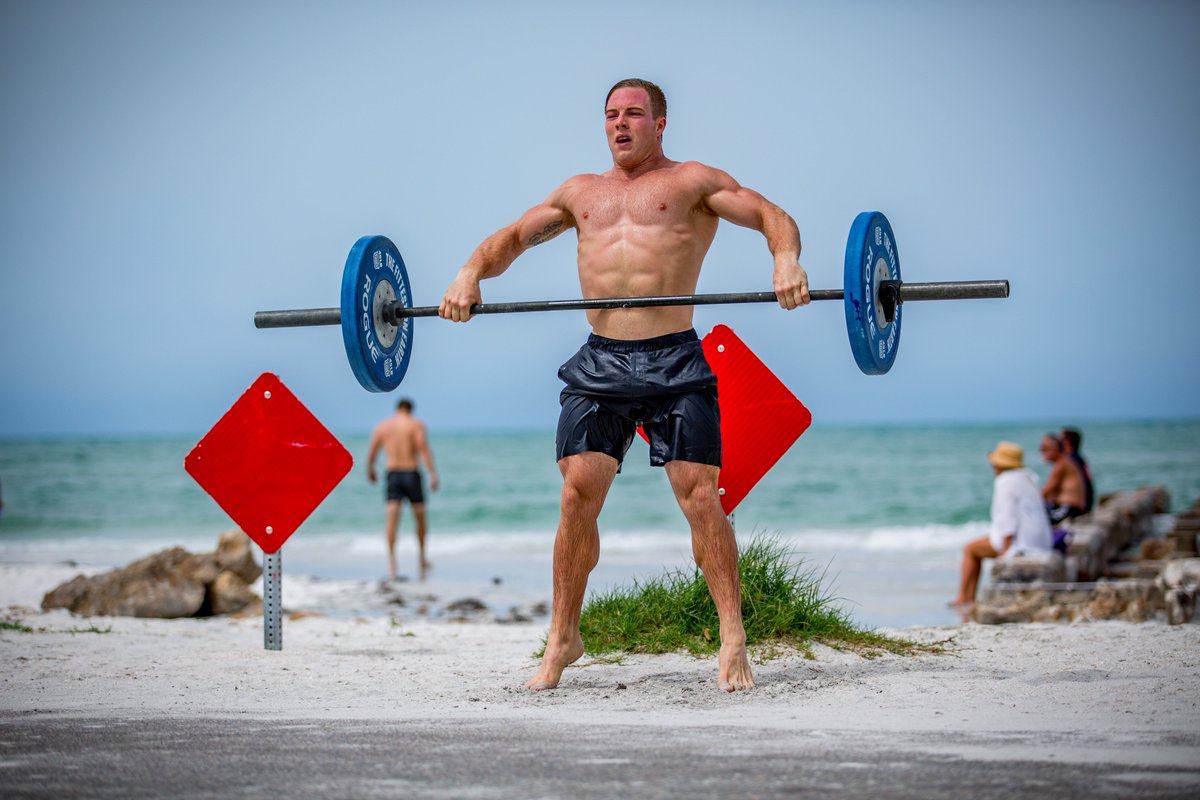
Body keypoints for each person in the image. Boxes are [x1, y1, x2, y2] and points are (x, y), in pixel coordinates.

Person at [439, 78, 810, 692]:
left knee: (699, 497)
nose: (620, 124)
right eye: (611, 114)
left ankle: (733, 636)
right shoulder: (580, 194)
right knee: (575, 496)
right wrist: (469, 274)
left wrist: (785, 259)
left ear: (659, 123)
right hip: (602, 360)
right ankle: (563, 638)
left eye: (633, 114)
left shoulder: (692, 181)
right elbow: (511, 239)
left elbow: (772, 215)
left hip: (674, 358)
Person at [953, 441, 1053, 607]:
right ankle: (967, 598)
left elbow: (1008, 518)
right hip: (1041, 541)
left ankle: (964, 598)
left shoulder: (1006, 481)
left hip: (1022, 544)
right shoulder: (1027, 477)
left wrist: (1005, 551)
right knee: (974, 548)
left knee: (970, 549)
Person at [366, 398, 439, 580]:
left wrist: (370, 468)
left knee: (391, 520)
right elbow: (423, 448)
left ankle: (392, 563)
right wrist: (433, 473)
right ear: (410, 410)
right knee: (420, 518)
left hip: (393, 475)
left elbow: (373, 449)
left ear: (397, 409)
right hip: (412, 473)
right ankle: (422, 558)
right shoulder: (416, 425)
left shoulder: (383, 426)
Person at [1040, 433, 1087, 523]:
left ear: (1055, 448)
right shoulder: (1066, 462)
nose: (1042, 451)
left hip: (1070, 509)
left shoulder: (1061, 464)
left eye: (1045, 448)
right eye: (1041, 448)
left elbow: (1046, 492)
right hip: (1072, 508)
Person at [1059, 427, 1094, 513]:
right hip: (1086, 504)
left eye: (1060, 439)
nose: (1058, 443)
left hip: (1077, 506)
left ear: (1067, 441)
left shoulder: (1069, 461)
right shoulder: (1079, 459)